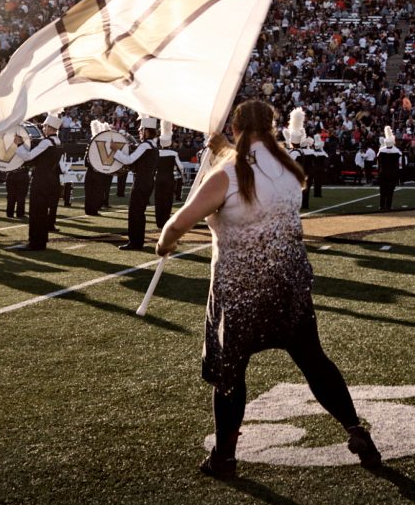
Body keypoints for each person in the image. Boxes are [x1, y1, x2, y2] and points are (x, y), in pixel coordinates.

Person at [156, 99, 381, 480]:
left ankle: (224, 456)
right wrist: (223, 149)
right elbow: (257, 167)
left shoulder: (227, 174)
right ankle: (355, 430)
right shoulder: (290, 170)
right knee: (315, 362)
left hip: (239, 288)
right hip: (287, 285)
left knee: (230, 374)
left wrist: (164, 243)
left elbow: (180, 222)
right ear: (272, 127)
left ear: (237, 128)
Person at [19, 117, 62, 251]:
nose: (43, 129)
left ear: (49, 128)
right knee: (43, 212)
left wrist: (19, 145)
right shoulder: (58, 142)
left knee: (36, 211)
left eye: (44, 127)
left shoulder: (46, 142)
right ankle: (41, 240)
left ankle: (35, 242)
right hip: (52, 179)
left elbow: (28, 157)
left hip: (41, 179)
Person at [115, 121, 159, 251]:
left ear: (146, 132)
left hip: (141, 181)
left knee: (135, 212)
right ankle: (137, 241)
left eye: (141, 131)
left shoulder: (145, 145)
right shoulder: (153, 146)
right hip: (148, 180)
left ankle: (134, 242)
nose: (139, 133)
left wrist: (115, 150)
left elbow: (129, 160)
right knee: (139, 212)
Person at [375, 126, 402, 212]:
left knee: (383, 190)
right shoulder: (396, 151)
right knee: (390, 191)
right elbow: (399, 156)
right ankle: (388, 206)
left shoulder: (382, 151)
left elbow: (378, 160)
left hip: (383, 173)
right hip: (392, 173)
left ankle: (381, 205)